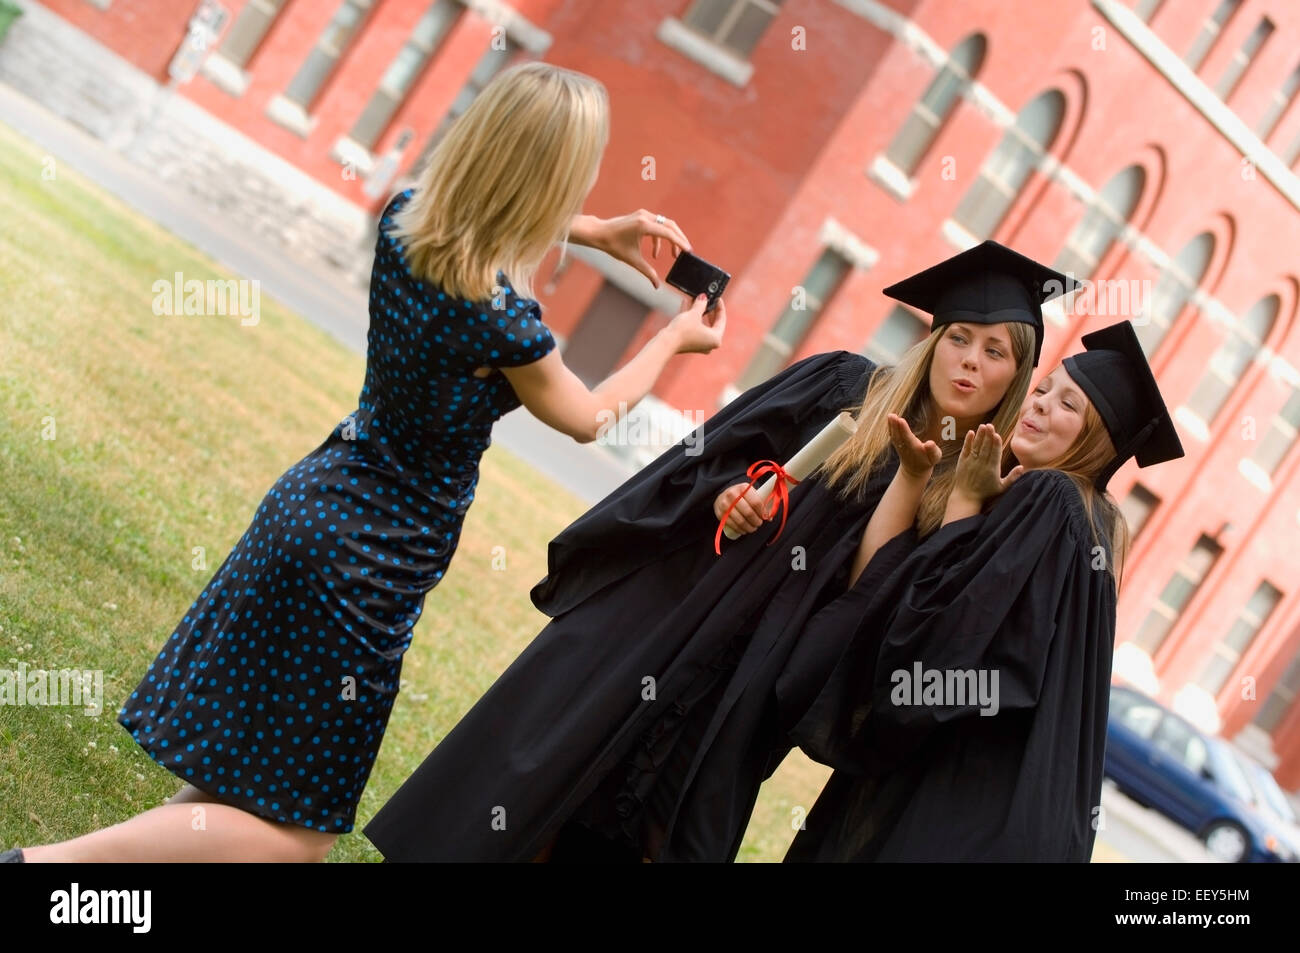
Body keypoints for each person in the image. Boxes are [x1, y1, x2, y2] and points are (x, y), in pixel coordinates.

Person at [3, 62, 725, 864]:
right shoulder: (507, 326)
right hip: (371, 559)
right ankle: (47, 867)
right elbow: (587, 417)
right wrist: (673, 338)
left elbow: (489, 209)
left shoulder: (406, 218)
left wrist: (593, 231)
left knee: (247, 774)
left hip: (314, 501)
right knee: (301, 835)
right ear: (556, 178)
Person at [362, 240, 1077, 862]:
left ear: (1016, 377)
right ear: (934, 338)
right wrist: (730, 496)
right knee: (571, 776)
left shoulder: (976, 486)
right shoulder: (842, 386)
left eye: (996, 353)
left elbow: (877, 601)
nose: (970, 363)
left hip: (762, 681)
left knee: (663, 826)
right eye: (960, 338)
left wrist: (927, 481)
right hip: (684, 617)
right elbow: (711, 460)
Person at [781, 319, 1184, 862]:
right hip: (1012, 813)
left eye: (1069, 406)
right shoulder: (1096, 525)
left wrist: (965, 504)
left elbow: (937, 637)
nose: (1039, 405)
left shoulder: (1046, 496)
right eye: (1041, 391)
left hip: (949, 799)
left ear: (1097, 440)